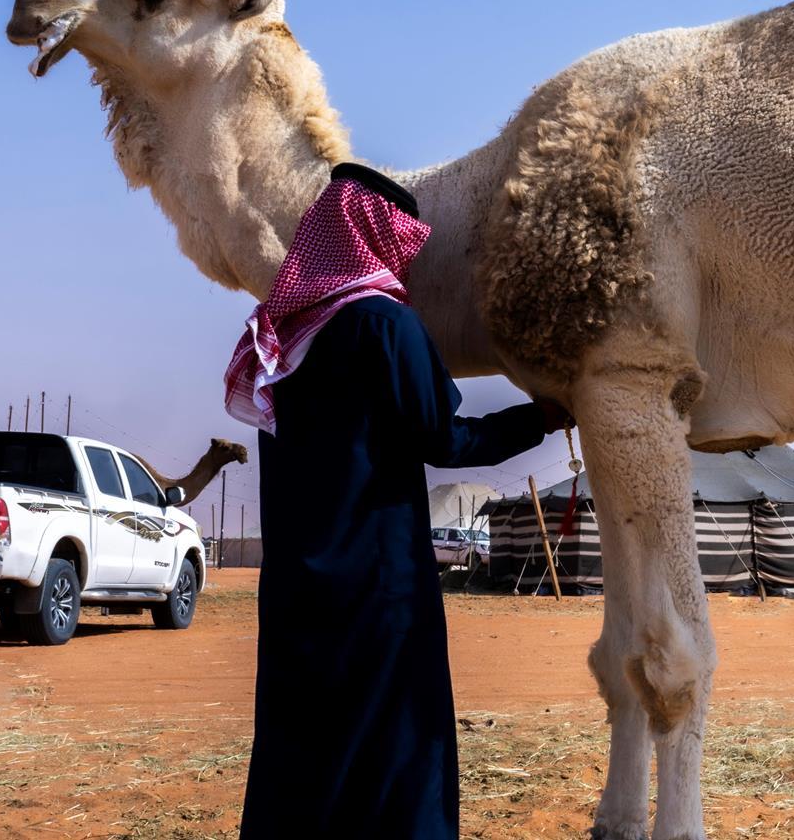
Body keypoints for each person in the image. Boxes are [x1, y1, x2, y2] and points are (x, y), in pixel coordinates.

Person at [223, 163, 569, 839]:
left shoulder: (282, 339)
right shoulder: (386, 325)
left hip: (297, 590)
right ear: (376, 235)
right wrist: (544, 417)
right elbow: (448, 439)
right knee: (397, 751)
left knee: (305, 748)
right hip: (380, 588)